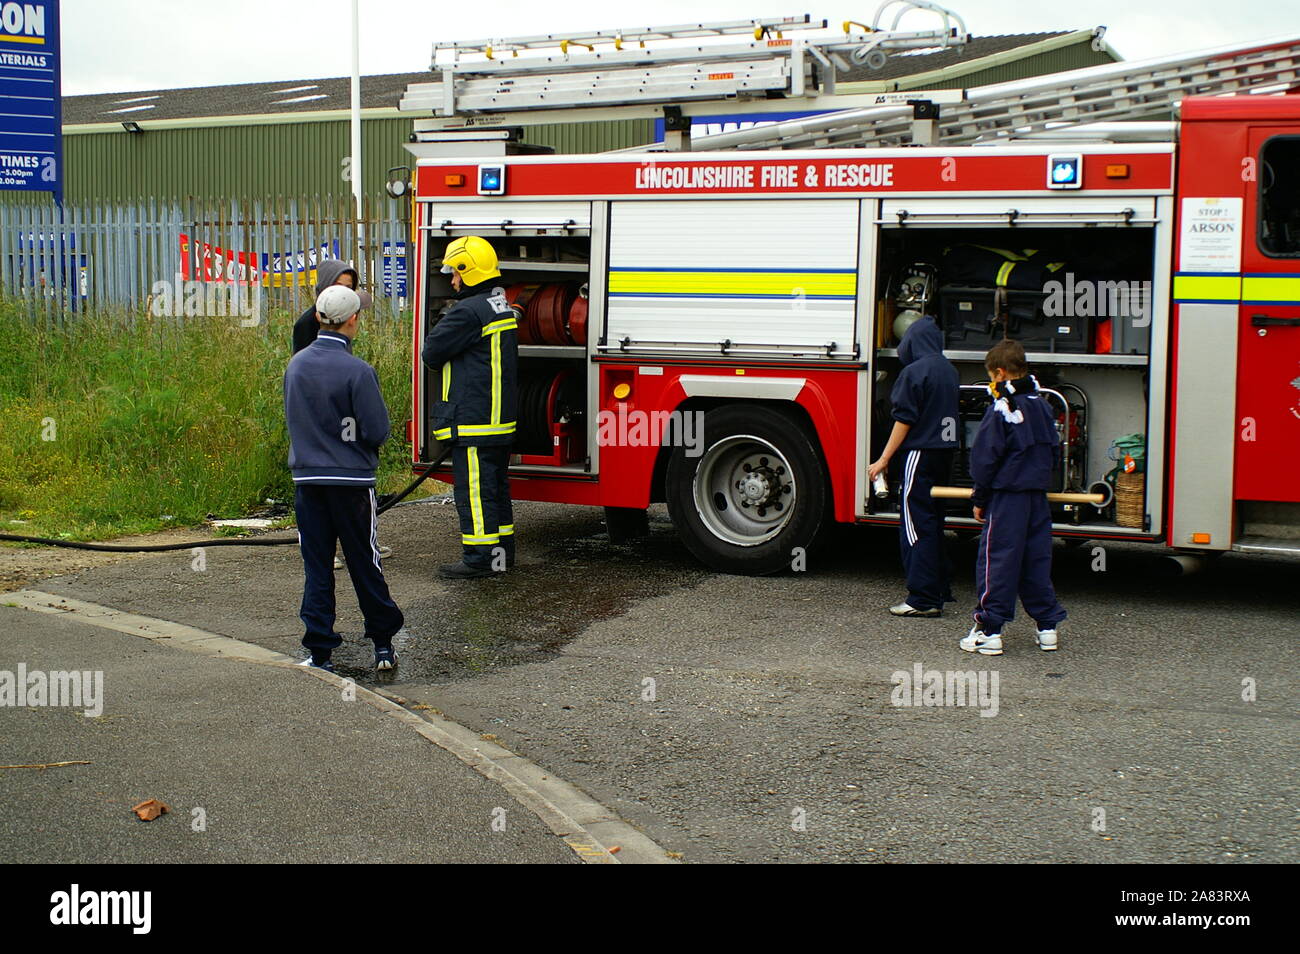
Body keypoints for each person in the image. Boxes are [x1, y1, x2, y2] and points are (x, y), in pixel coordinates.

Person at [284, 285, 404, 671]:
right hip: (351, 483)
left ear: (319, 317)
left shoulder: (296, 365)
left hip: (308, 482)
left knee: (317, 566)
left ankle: (319, 650)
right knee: (364, 561)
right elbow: (377, 430)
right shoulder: (358, 371)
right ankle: (383, 645)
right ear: (353, 320)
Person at [961, 338, 1067, 656]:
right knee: (1036, 561)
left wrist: (980, 496)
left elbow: (986, 458)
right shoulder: (1042, 404)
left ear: (1000, 373)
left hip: (1007, 498)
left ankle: (989, 630)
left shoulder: (1003, 408)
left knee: (998, 562)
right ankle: (1047, 627)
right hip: (1037, 498)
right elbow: (1054, 452)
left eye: (992, 376)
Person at [421, 236, 518, 579]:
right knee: (495, 490)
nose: (452, 280)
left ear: (468, 271)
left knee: (475, 494)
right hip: (498, 421)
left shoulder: (467, 311)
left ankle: (480, 560)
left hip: (475, 421)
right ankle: (501, 556)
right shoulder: (499, 304)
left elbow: (431, 353)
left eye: (455, 273)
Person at [868, 314, 959, 617]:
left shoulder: (913, 372)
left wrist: (883, 459)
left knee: (914, 526)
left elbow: (904, 420)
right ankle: (940, 588)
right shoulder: (948, 370)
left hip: (919, 453)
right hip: (944, 454)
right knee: (934, 522)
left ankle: (921, 598)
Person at [291, 259, 371, 355]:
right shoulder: (307, 323)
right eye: (338, 286)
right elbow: (302, 364)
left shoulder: (346, 316)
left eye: (348, 287)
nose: (343, 292)